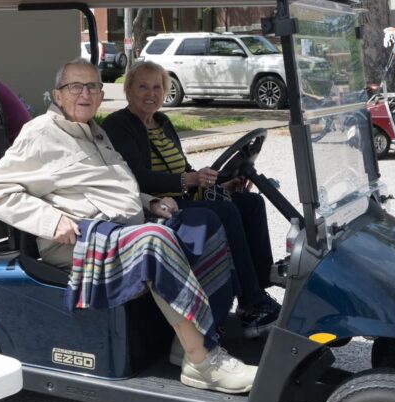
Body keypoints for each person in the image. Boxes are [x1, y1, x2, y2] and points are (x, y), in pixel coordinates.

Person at [0, 59, 257, 394]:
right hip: (80, 240)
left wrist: (150, 201)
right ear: (58, 95)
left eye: (94, 86)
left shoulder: (94, 131)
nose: (86, 93)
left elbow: (112, 186)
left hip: (120, 231)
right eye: (76, 87)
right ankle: (202, 361)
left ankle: (196, 334)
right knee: (155, 239)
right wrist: (51, 221)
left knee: (205, 222)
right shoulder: (41, 133)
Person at [101, 61, 281, 339]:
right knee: (225, 211)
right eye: (143, 87)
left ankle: (255, 292)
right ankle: (252, 301)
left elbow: (183, 168)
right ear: (128, 90)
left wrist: (220, 181)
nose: (151, 93)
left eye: (157, 87)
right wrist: (187, 181)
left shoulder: (163, 122)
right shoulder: (119, 124)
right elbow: (135, 176)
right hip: (153, 207)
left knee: (250, 203)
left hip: (180, 198)